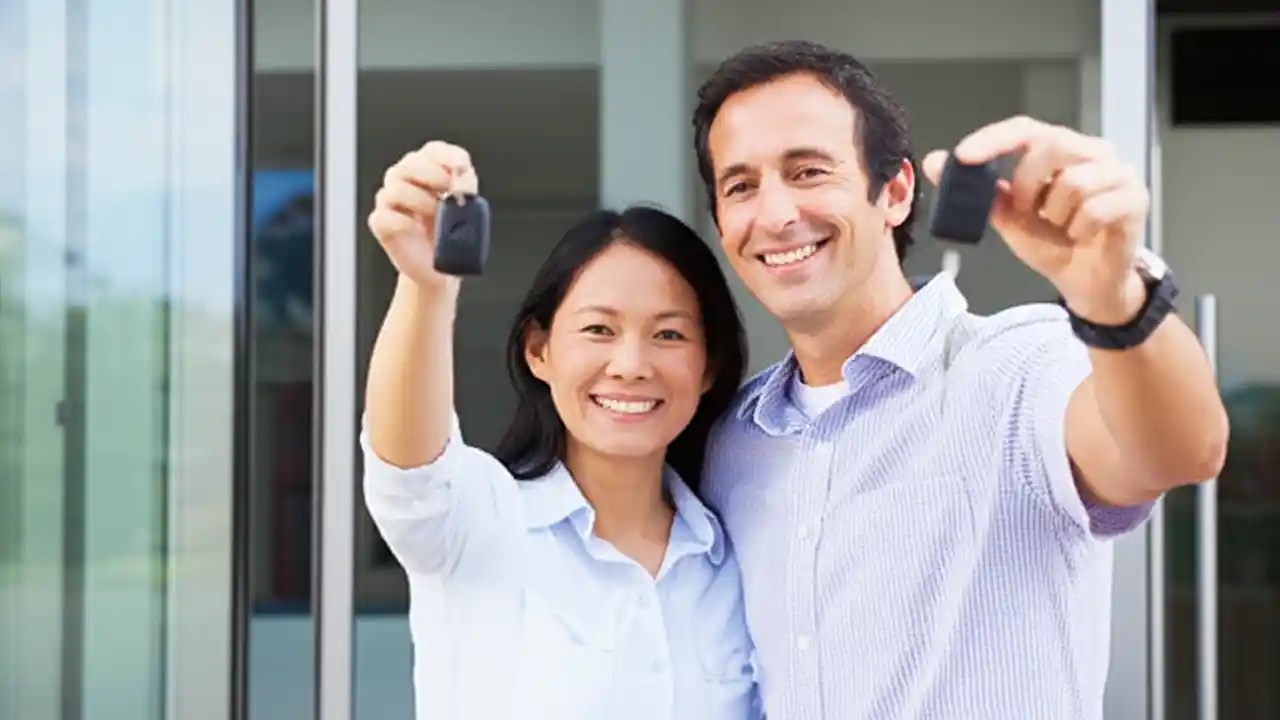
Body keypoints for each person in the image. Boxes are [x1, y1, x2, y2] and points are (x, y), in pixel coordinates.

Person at [692, 40, 1230, 719]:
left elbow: (1180, 450)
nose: (773, 214)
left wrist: (1116, 298)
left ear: (895, 193)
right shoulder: (731, 438)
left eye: (807, 171)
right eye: (741, 186)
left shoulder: (1020, 367)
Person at [360, 140, 760, 720]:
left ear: (708, 368)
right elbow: (408, 468)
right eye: (599, 329)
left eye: (669, 335)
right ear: (539, 351)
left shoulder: (733, 559)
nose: (631, 364)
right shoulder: (478, 519)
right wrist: (426, 288)